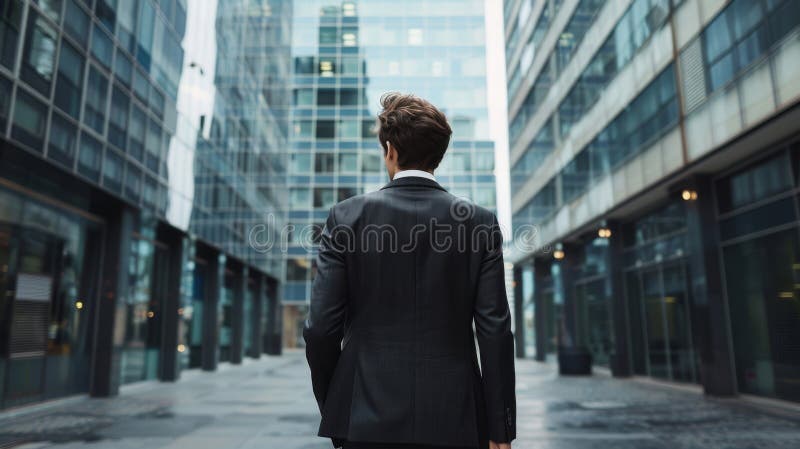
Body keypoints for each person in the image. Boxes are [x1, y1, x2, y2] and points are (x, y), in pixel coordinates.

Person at [304, 92, 516, 449]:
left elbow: (321, 329)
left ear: (390, 150)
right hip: (457, 416)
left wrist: (337, 402)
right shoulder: (479, 223)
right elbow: (495, 331)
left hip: (363, 414)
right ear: (439, 155)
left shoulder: (347, 217)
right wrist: (500, 428)